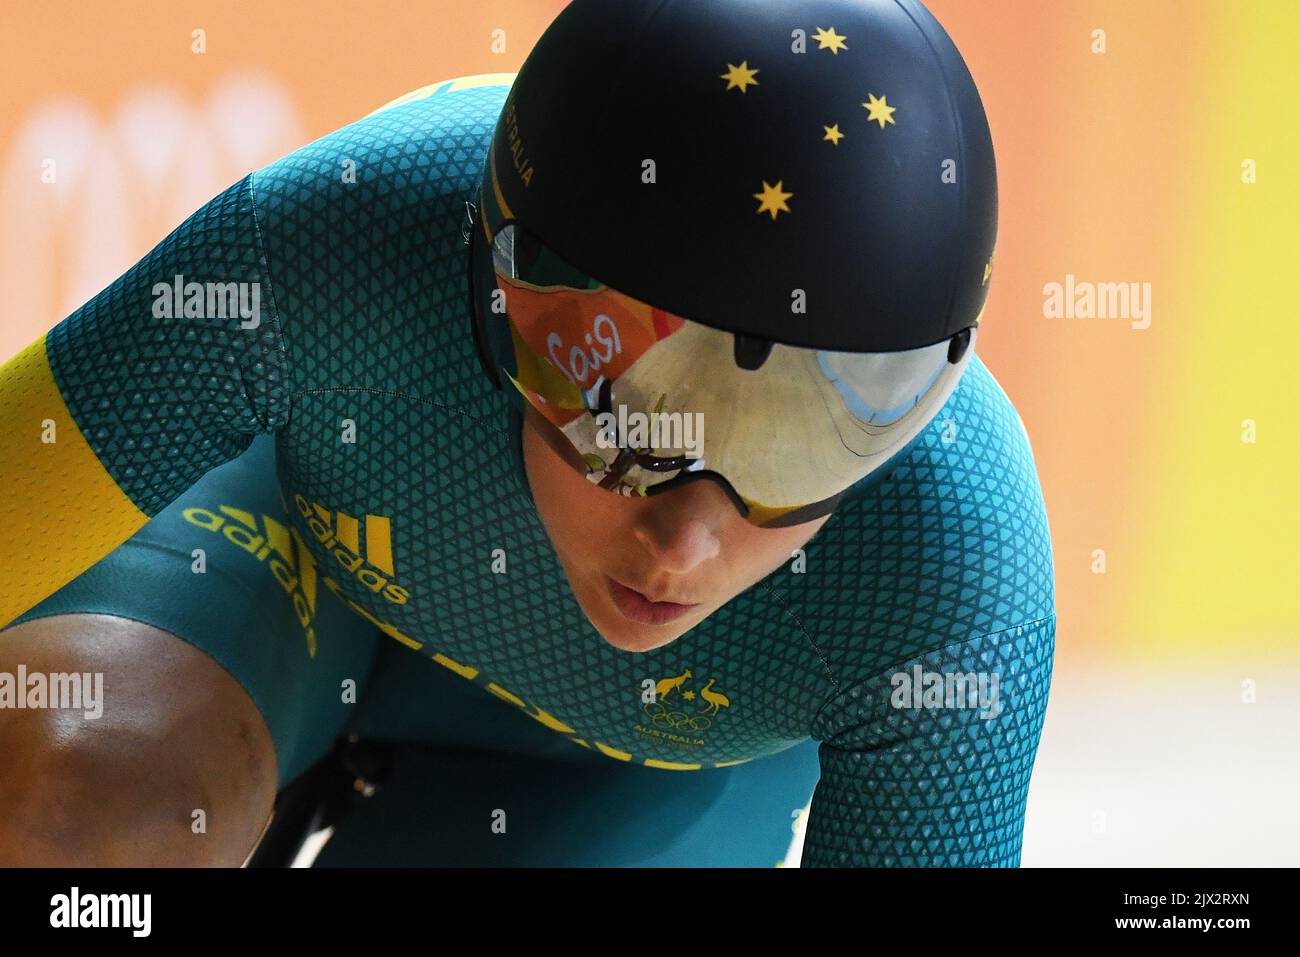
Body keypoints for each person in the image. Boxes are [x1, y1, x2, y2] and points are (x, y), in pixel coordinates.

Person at [0, 0, 1055, 866]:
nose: (684, 547)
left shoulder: (958, 566)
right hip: (307, 559)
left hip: (620, 770)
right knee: (77, 818)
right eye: (628, 410)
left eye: (803, 449)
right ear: (494, 287)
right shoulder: (338, 238)